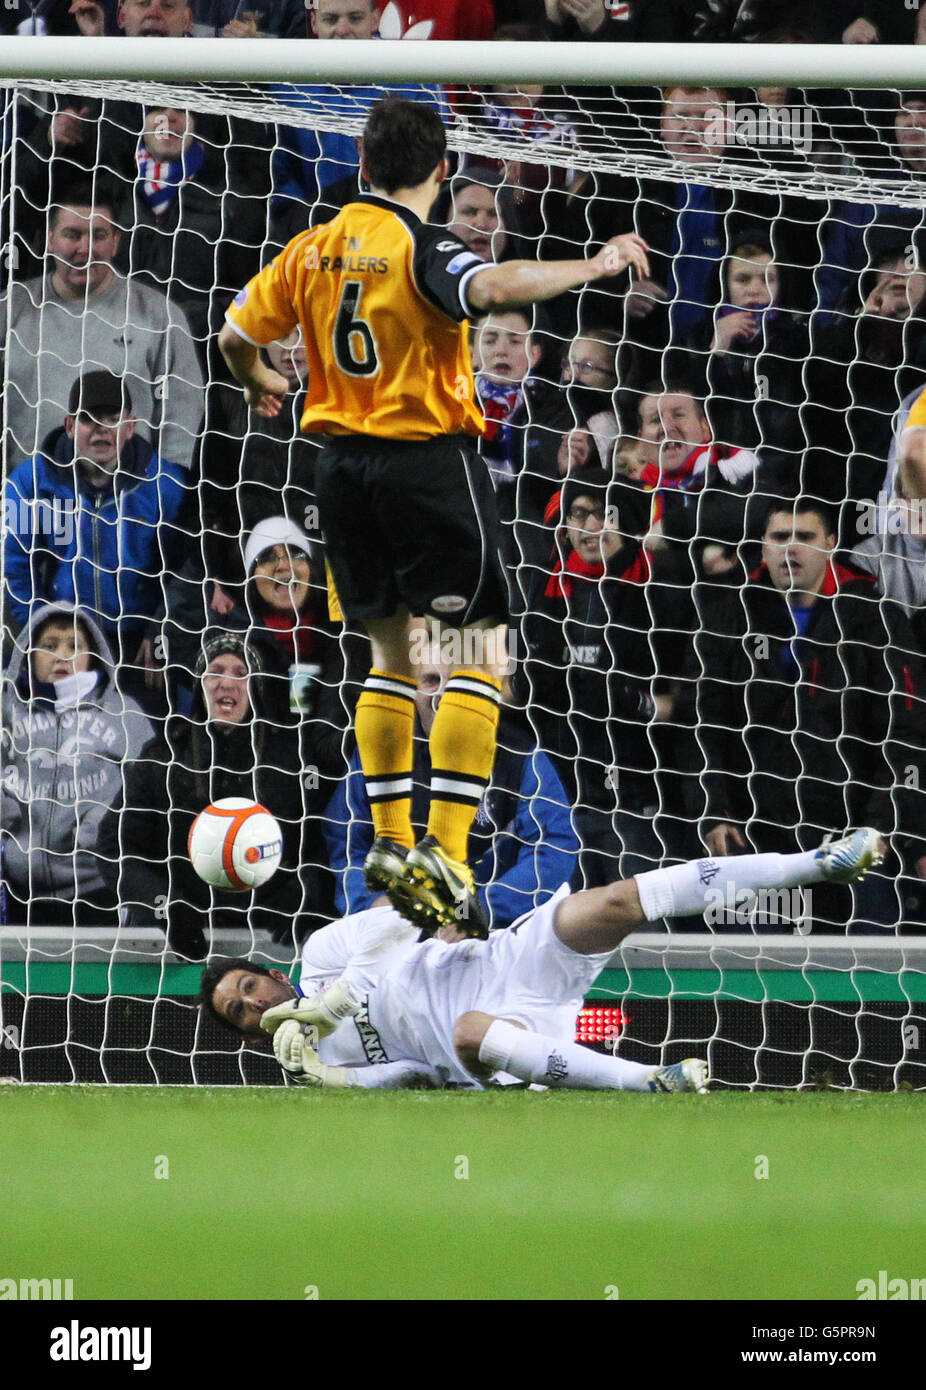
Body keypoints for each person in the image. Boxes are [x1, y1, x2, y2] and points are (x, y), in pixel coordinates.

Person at [217, 94, 649, 937]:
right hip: (425, 465)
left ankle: (387, 839)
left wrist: (261, 382)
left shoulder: (311, 248)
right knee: (475, 658)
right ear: (443, 172)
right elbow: (489, 287)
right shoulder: (420, 246)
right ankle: (446, 853)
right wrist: (593, 267)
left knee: (385, 657)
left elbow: (235, 334)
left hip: (337, 470)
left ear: (364, 165)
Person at [200, 826, 886, 1090]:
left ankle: (817, 863)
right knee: (469, 1030)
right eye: (240, 1011)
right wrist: (331, 1081)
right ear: (244, 1033)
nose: (254, 1002)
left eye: (248, 984)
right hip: (487, 1044)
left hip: (504, 959)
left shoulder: (321, 953)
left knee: (615, 902)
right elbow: (411, 1076)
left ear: (268, 969)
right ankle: (646, 1079)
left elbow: (399, 917)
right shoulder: (316, 1062)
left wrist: (333, 1001)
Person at [693, 499, 926, 931]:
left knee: (863, 982)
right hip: (755, 841)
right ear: (762, 546)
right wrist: (717, 811)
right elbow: (707, 726)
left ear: (831, 544)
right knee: (753, 984)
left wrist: (879, 827)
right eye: (780, 537)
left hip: (853, 839)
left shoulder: (875, 620)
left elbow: (906, 735)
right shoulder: (730, 618)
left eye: (805, 538)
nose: (791, 549)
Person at [97, 631, 330, 957]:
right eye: (215, 671)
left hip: (271, 934)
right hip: (181, 936)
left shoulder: (292, 760)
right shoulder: (162, 756)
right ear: (199, 684)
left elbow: (320, 842)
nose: (226, 683)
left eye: (241, 673)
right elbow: (115, 846)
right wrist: (164, 905)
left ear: (256, 687)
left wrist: (309, 893)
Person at [323, 633, 578, 929]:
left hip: (496, 929)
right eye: (430, 681)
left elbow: (554, 847)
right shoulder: (379, 752)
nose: (442, 696)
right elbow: (346, 842)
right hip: (400, 925)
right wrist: (370, 902)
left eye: (457, 683)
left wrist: (479, 909)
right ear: (412, 691)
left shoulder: (520, 756)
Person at [2, 370, 191, 695]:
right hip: (65, 638)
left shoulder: (168, 486)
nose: (101, 430)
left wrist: (164, 626)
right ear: (70, 426)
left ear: (130, 427)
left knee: (162, 718)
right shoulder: (29, 484)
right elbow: (14, 568)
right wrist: (38, 633)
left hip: (140, 639)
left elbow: (189, 569)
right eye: (89, 420)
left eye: (112, 419)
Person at [0, 177, 205, 469]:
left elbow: (183, 408)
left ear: (115, 243)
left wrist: (167, 483)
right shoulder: (11, 308)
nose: (85, 249)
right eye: (72, 234)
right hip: (30, 499)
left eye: (98, 236)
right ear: (49, 239)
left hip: (128, 499)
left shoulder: (158, 314)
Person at [1, 603, 153, 927]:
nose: (62, 655)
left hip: (98, 889)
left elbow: (148, 792)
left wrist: (102, 820)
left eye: (75, 645)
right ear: (28, 652)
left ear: (93, 654)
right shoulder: (5, 711)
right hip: (16, 892)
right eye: (50, 645)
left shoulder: (124, 713)